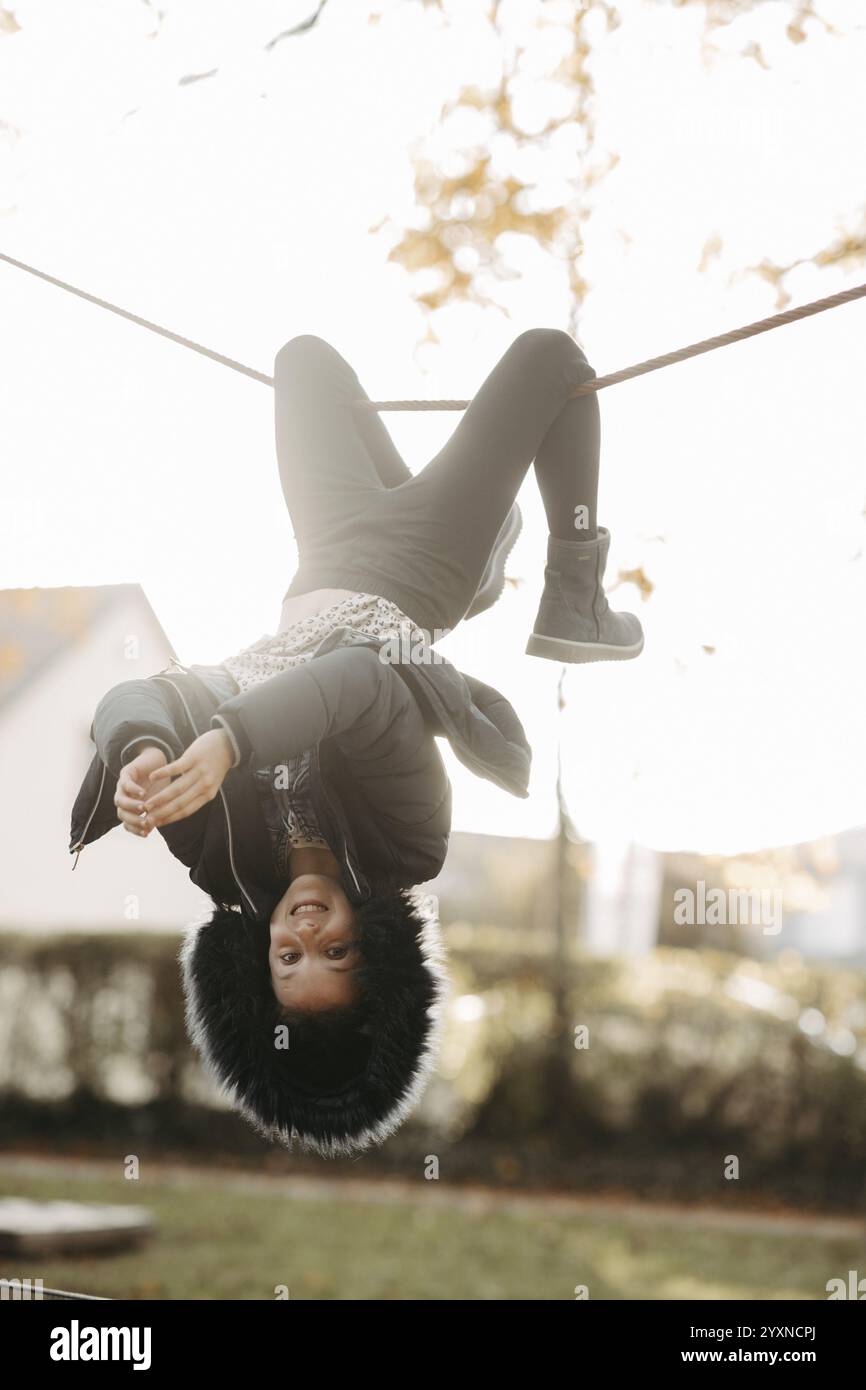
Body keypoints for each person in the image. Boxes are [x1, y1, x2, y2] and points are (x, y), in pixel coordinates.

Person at [68, 326, 642, 1156]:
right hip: (418, 571)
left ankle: (486, 547)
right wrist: (232, 738)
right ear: (373, 950)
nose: (303, 932)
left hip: (323, 555)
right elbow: (357, 683)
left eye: (288, 960)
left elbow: (136, 693)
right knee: (551, 360)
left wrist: (140, 751)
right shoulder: (408, 842)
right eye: (333, 952)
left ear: (257, 970)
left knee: (303, 363)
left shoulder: (216, 853)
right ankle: (576, 595)